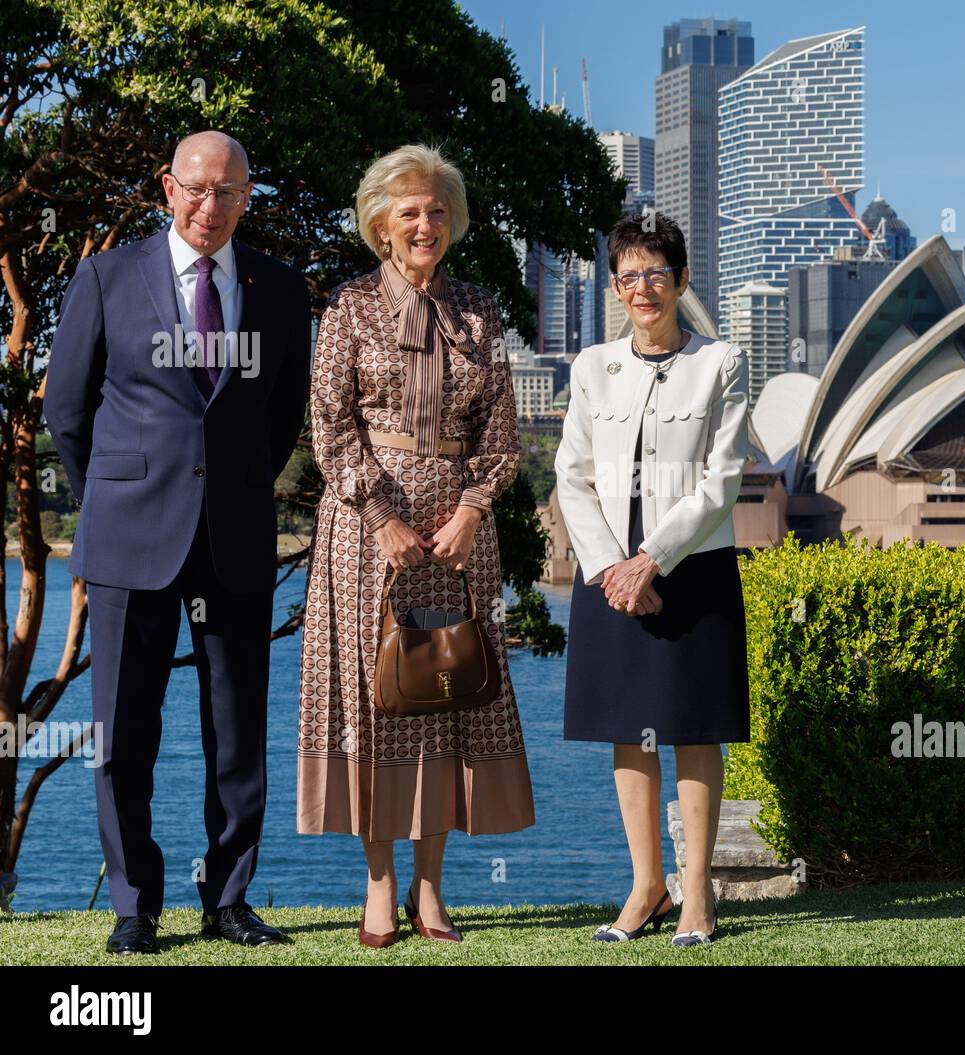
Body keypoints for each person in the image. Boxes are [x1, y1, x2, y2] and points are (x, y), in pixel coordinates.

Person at [43, 130, 313, 954]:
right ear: (168, 187)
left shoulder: (277, 289)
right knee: (124, 732)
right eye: (196, 188)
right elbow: (66, 410)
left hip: (233, 540)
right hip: (128, 542)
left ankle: (228, 899)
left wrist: (230, 490)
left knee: (237, 732)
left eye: (228, 192)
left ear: (247, 197)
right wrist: (110, 505)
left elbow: (281, 419)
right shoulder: (105, 277)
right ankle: (135, 905)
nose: (210, 206)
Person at [297, 143, 535, 948]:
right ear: (381, 224)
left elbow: (502, 436)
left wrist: (471, 511)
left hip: (461, 536)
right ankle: (378, 888)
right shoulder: (347, 307)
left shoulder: (481, 310)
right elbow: (329, 427)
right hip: (370, 535)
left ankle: (431, 892)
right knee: (379, 704)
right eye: (410, 212)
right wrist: (382, 517)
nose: (425, 223)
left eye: (437, 210)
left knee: (446, 696)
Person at [554, 212, 750, 947]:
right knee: (626, 733)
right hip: (609, 577)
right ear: (614, 286)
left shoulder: (721, 363)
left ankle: (696, 893)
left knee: (695, 729)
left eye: (656, 274)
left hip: (690, 568)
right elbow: (571, 476)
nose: (643, 288)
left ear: (682, 280)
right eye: (629, 275)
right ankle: (646, 887)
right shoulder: (590, 367)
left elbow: (722, 479)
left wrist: (651, 559)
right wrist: (612, 566)